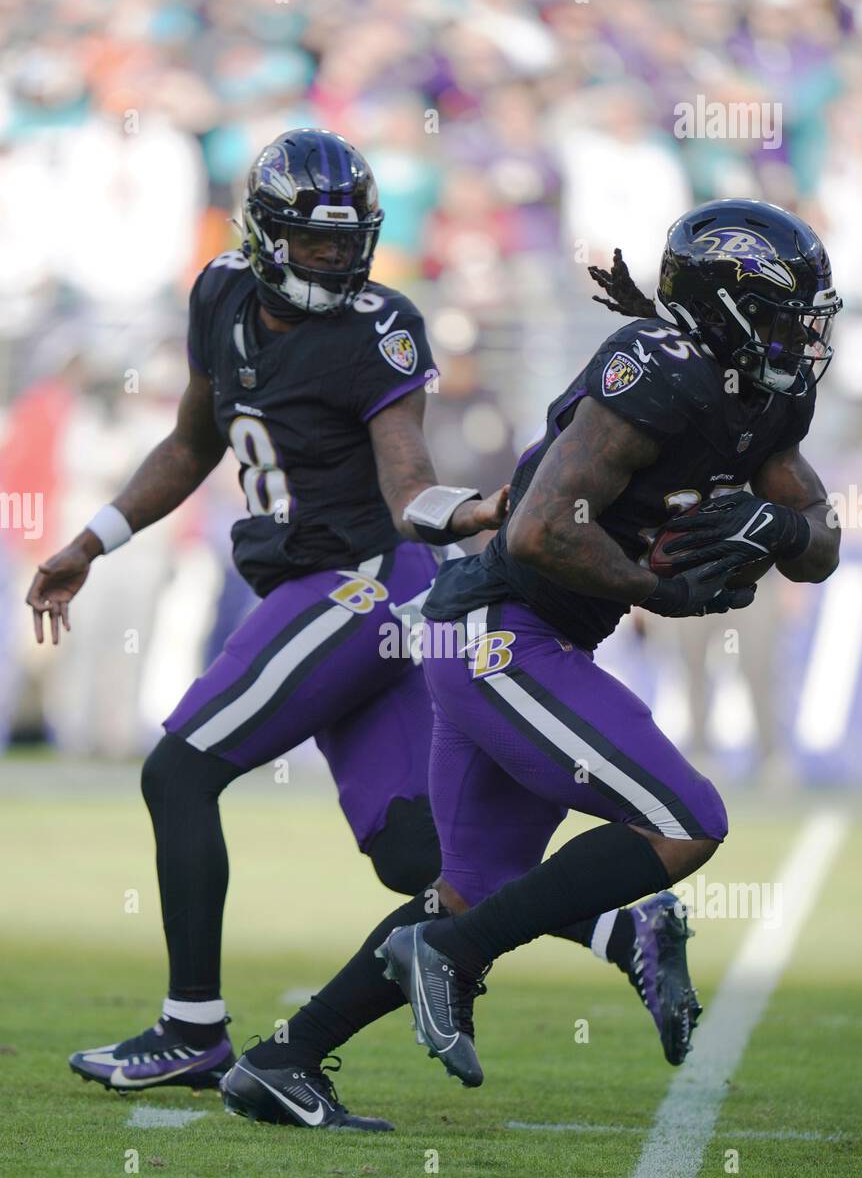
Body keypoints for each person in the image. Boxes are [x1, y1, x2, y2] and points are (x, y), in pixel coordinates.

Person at [219, 198, 841, 1130]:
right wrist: (661, 592)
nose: (802, 335)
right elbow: (541, 528)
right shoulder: (656, 377)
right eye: (787, 313)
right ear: (725, 310)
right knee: (686, 818)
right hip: (498, 633)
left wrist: (782, 524)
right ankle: (457, 953)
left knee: (467, 890)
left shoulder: (764, 391)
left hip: (527, 639)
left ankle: (281, 1058)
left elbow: (820, 540)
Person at [26, 128, 507, 1096]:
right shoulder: (220, 293)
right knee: (414, 854)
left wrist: (484, 510)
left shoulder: (381, 326)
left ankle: (191, 1024)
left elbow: (407, 481)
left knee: (178, 770)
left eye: (348, 241)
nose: (336, 259)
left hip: (367, 580)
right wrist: (92, 538)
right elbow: (191, 442)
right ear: (262, 236)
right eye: (314, 242)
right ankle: (618, 917)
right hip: (308, 583)